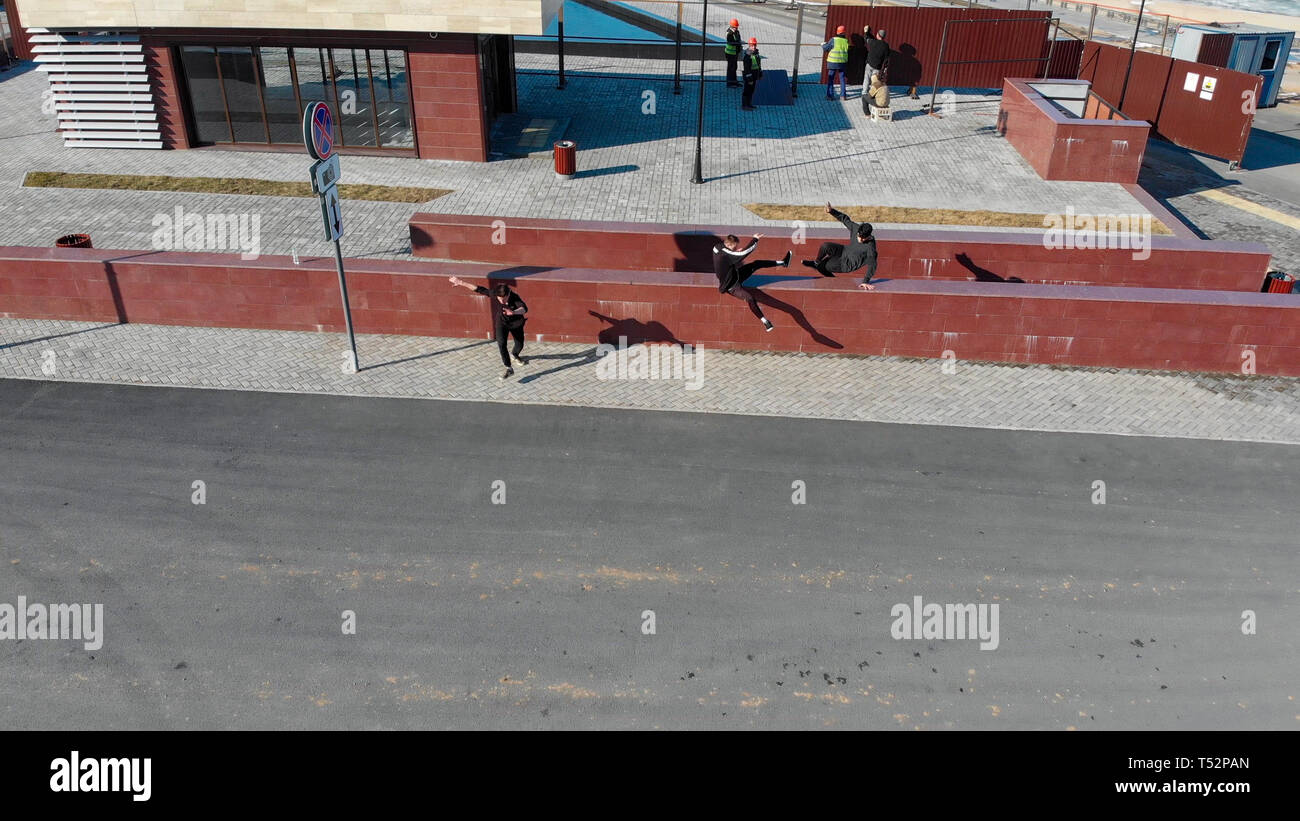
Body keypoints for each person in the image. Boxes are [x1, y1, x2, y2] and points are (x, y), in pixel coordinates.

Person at [449, 275, 530, 378]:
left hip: (516, 323)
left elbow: (524, 309)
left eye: (502, 299)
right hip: (502, 322)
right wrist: (461, 282)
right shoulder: (496, 294)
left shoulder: (515, 297)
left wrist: (513, 312)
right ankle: (508, 368)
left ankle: (514, 354)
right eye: (499, 299)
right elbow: (479, 289)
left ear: (508, 294)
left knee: (519, 344)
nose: (501, 301)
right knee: (501, 343)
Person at [714, 233, 792, 330]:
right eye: (734, 247)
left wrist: (734, 252)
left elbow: (728, 256)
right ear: (729, 245)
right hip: (731, 286)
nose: (735, 249)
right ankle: (766, 322)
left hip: (735, 274)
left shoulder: (718, 247)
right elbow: (743, 253)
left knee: (756, 264)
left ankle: (783, 262)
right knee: (750, 299)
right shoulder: (725, 253)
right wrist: (755, 239)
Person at [801, 202, 878, 290]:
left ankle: (833, 280)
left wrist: (865, 281)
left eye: (863, 239)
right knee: (825, 246)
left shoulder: (871, 247)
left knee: (822, 267)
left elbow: (873, 265)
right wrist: (831, 211)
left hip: (847, 264)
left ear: (868, 236)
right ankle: (816, 262)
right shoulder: (856, 228)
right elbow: (845, 219)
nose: (860, 240)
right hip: (844, 250)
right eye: (859, 236)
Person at [822, 25, 849, 100]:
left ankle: (830, 96)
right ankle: (843, 96)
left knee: (831, 79)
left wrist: (823, 45)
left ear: (837, 32)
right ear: (844, 33)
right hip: (842, 63)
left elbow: (826, 48)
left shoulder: (833, 39)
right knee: (842, 79)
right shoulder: (846, 41)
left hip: (833, 63)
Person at [741, 38, 762, 111]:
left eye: (755, 45)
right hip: (749, 77)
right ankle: (744, 105)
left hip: (754, 76)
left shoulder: (756, 54)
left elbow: (758, 65)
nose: (754, 47)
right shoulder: (747, 56)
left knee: (751, 91)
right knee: (746, 91)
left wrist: (760, 73)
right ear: (749, 46)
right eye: (752, 46)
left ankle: (749, 104)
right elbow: (747, 69)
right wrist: (749, 79)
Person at [725, 19, 742, 87]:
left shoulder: (736, 32)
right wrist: (739, 43)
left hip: (735, 53)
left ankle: (734, 81)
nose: (736, 28)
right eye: (734, 27)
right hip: (730, 53)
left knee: (734, 67)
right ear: (731, 26)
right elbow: (732, 43)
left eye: (736, 27)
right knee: (731, 68)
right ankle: (730, 83)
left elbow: (738, 39)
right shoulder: (729, 33)